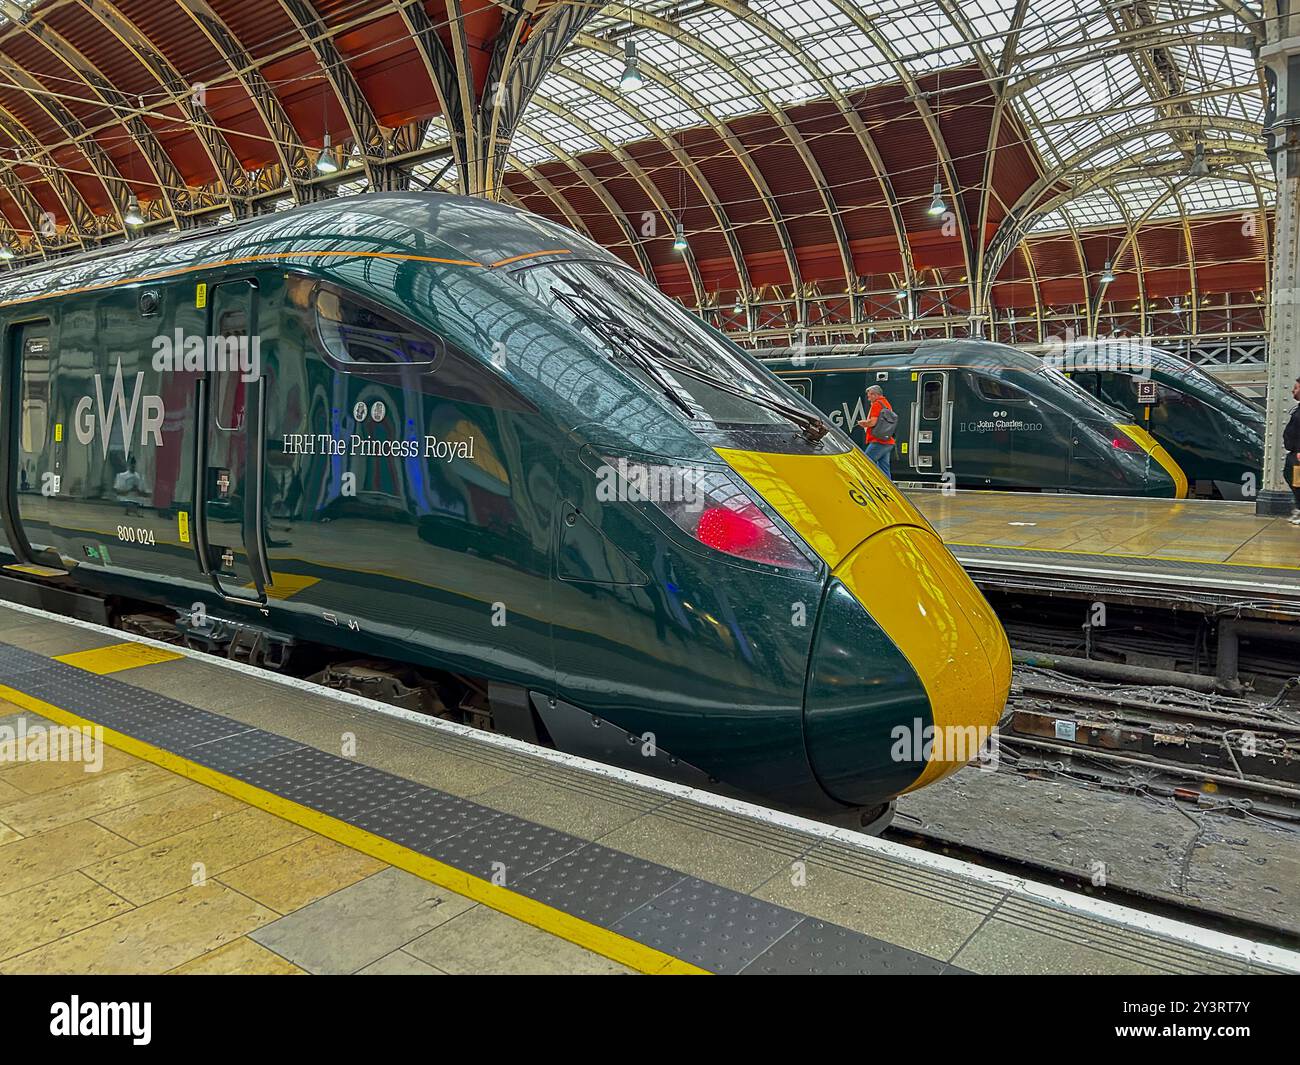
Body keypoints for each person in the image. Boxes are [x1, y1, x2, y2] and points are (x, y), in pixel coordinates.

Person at [857, 384, 896, 479]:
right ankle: (887, 488)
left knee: (865, 463)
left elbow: (873, 422)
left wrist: (864, 423)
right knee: (884, 469)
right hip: (887, 441)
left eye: (869, 395)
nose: (868, 397)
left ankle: (865, 484)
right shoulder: (886, 404)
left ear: (875, 394)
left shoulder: (877, 404)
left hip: (878, 441)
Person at [1285, 376, 1300, 526]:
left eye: (1296, 388)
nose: (1293, 390)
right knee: (1290, 476)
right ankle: (1298, 508)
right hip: (1294, 452)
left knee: (1298, 482)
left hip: (1299, 453)